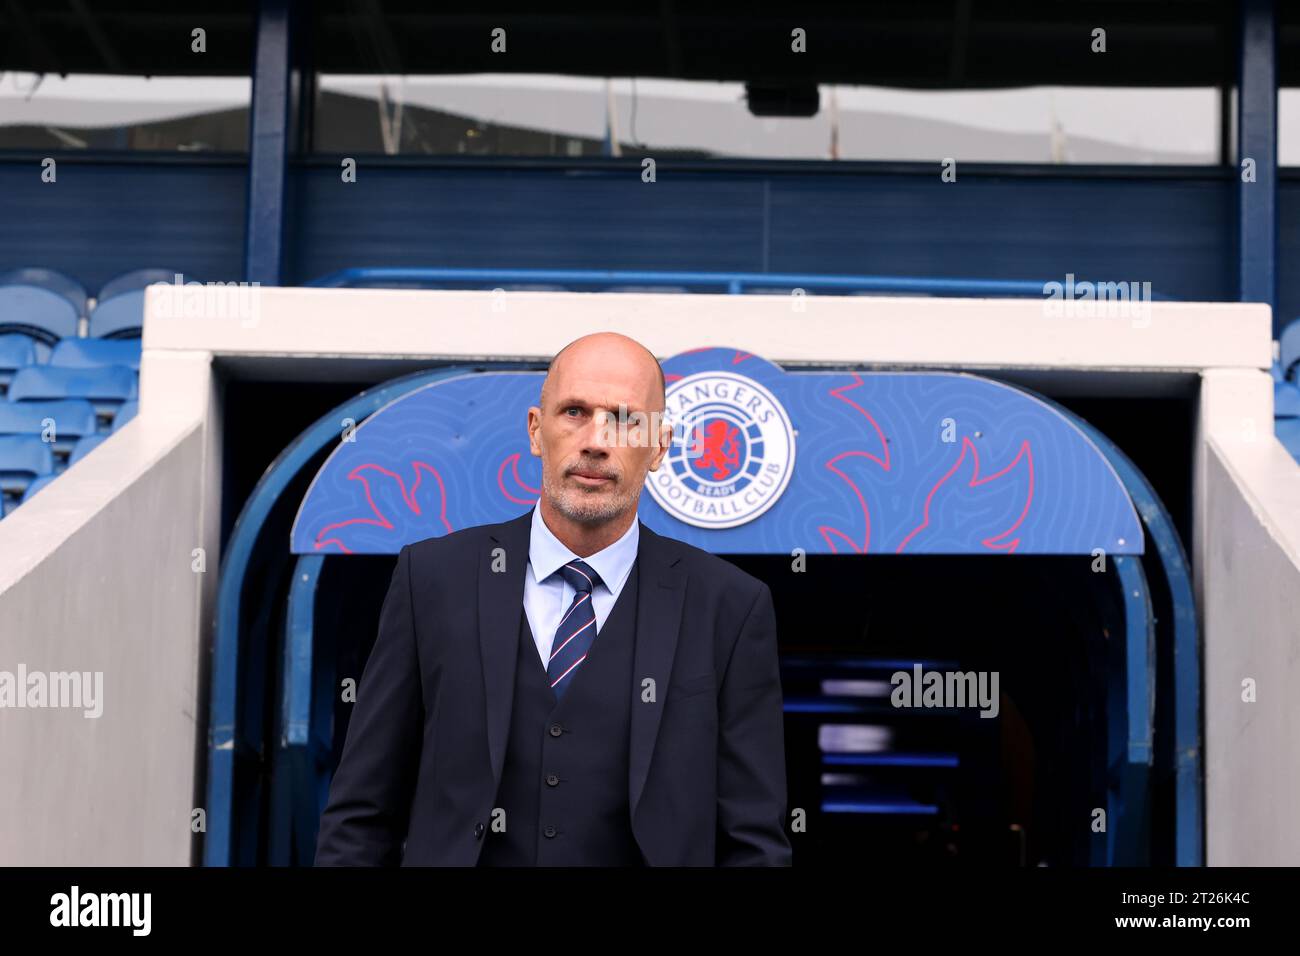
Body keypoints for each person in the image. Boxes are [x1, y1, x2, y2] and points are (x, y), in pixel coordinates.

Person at [315, 331, 791, 866]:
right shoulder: (431, 580)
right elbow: (361, 817)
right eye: (574, 411)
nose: (595, 440)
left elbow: (753, 843)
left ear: (659, 446)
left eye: (626, 419)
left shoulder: (730, 608)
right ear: (537, 431)